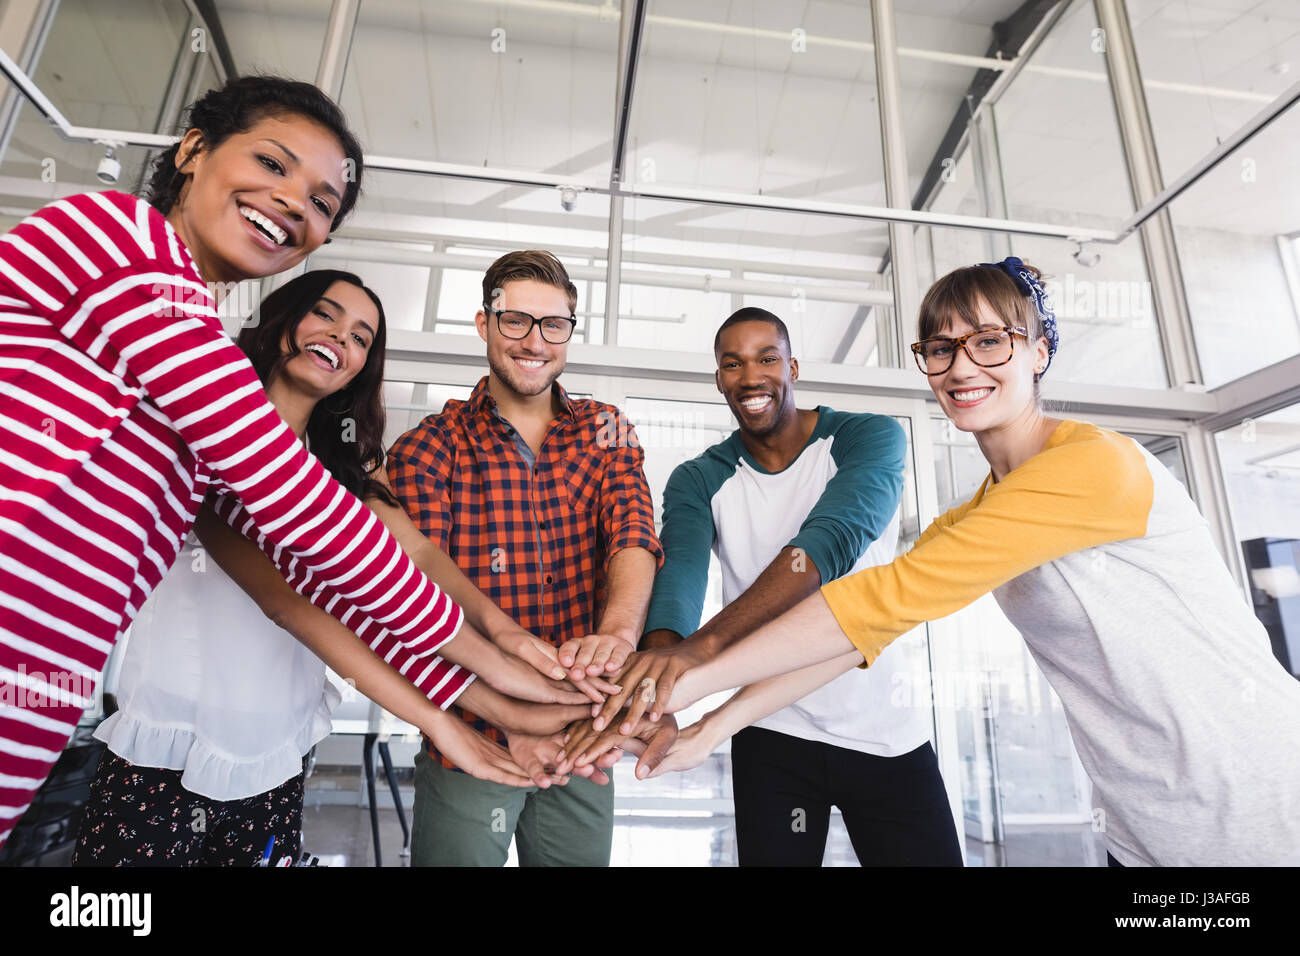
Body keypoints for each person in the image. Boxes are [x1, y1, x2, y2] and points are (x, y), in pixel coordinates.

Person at [597, 256, 1300, 867]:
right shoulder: (982, 510)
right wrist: (713, 725)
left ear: (1040, 351)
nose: (962, 366)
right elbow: (861, 636)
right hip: (1143, 824)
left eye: (990, 342)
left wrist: (686, 680)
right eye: (941, 348)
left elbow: (885, 596)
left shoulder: (1095, 465)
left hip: (1253, 805)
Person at [0, 76, 540, 848]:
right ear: (192, 148)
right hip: (152, 740)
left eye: (323, 202)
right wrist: (501, 680)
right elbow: (298, 527)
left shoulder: (190, 394)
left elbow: (365, 567)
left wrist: (494, 680)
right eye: (274, 164)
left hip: (54, 704)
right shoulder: (120, 237)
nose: (295, 202)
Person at [71, 271, 597, 866]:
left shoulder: (348, 468)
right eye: (325, 315)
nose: (340, 338)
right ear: (281, 319)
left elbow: (416, 559)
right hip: (166, 740)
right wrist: (480, 706)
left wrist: (507, 643)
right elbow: (295, 602)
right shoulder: (204, 437)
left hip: (278, 746)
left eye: (361, 337)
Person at [566, 308, 960, 866]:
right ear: (720, 378)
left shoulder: (868, 437)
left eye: (766, 358)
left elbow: (827, 544)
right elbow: (678, 575)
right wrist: (656, 685)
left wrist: (698, 653)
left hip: (884, 730)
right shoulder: (699, 477)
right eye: (733, 363)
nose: (750, 375)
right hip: (770, 727)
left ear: (792, 366)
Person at [386, 250, 664, 866]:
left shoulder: (606, 429)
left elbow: (634, 533)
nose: (534, 341)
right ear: (485, 325)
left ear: (570, 332)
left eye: (553, 325)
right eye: (515, 321)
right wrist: (509, 715)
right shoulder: (428, 447)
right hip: (470, 734)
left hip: (582, 739)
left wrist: (619, 630)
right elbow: (415, 585)